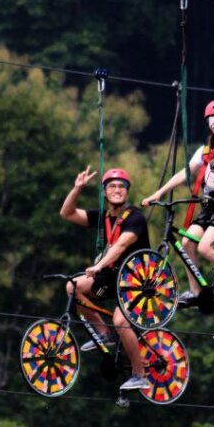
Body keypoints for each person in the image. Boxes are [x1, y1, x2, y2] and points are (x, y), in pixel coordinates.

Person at [142, 99, 214, 306]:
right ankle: (196, 292)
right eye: (213, 120)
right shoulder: (205, 151)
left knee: (205, 248)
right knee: (186, 243)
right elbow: (184, 174)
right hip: (210, 208)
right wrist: (159, 193)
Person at [60, 166, 152, 391]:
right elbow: (67, 213)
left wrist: (99, 265)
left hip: (137, 283)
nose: (117, 190)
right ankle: (103, 333)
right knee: (73, 287)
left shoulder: (135, 217)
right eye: (112, 186)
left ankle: (140, 374)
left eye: (122, 186)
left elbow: (121, 246)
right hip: (113, 279)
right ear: (104, 192)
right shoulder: (103, 217)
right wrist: (77, 188)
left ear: (127, 192)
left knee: (121, 321)